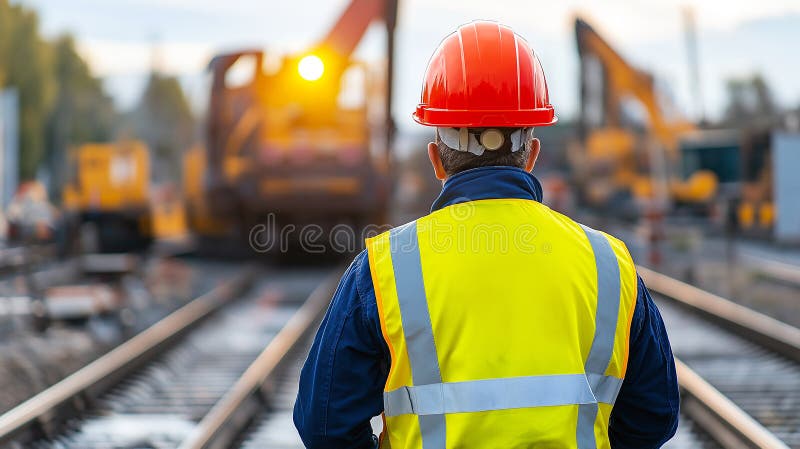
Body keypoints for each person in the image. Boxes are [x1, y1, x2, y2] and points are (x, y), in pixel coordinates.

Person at [294, 20, 679, 449]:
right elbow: (654, 415)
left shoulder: (385, 268)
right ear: (531, 154)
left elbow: (323, 424)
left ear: (436, 160)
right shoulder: (609, 263)